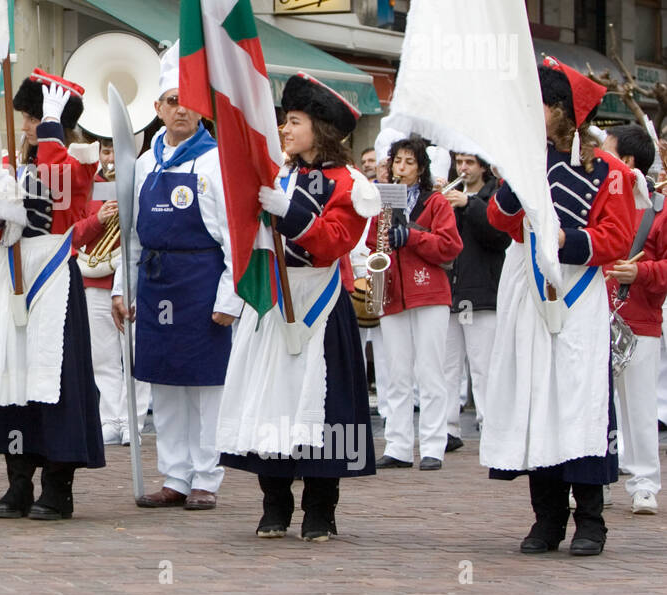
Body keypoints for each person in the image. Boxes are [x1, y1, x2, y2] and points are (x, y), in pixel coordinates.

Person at [214, 72, 379, 541]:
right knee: (272, 403)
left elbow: (333, 242)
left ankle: (321, 510)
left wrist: (288, 212)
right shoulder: (279, 175)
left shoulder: (349, 183)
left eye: (294, 121)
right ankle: (275, 503)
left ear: (320, 128)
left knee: (324, 410)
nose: (284, 130)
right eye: (284, 122)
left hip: (319, 305)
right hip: (273, 300)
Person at [483, 57, 635, 556]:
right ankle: (546, 519)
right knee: (536, 401)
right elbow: (499, 221)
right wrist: (514, 180)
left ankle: (590, 522)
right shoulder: (528, 159)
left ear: (565, 112)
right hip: (529, 288)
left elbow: (615, 238)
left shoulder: (609, 171)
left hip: (578, 295)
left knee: (578, 404)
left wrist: (564, 239)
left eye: (543, 103)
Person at [0, 69, 105, 521]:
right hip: (10, 276)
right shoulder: (16, 165)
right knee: (10, 379)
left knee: (53, 383)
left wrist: (53, 133)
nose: (23, 127)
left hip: (54, 276)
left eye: (30, 119)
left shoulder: (77, 156)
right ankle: (18, 480)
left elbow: (63, 188)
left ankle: (58, 485)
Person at [113, 63, 238, 510]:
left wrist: (230, 299)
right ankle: (175, 476)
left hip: (201, 282)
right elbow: (130, 233)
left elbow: (235, 240)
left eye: (188, 102)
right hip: (154, 282)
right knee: (163, 383)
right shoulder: (144, 162)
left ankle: (206, 476)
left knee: (206, 387)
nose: (180, 109)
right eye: (171, 101)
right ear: (157, 109)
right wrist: (119, 288)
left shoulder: (216, 161)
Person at [368, 137, 463, 470]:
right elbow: (371, 242)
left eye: (409, 162)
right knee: (396, 373)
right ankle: (398, 445)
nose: (402, 168)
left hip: (429, 292)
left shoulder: (436, 202)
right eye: (398, 162)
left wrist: (412, 236)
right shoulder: (384, 200)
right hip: (392, 291)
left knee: (430, 371)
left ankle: (434, 446)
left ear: (421, 168)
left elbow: (450, 246)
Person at [602, 123, 665, 515]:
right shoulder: (599, 200)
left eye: (607, 150)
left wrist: (639, 273)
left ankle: (645, 483)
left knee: (639, 406)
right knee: (598, 405)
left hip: (639, 318)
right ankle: (599, 478)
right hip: (597, 317)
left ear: (625, 161)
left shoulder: (659, 209)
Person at [79, 136, 150, 447]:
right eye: (105, 150)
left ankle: (132, 422)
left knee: (135, 357)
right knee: (102, 359)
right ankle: (109, 418)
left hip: (133, 279)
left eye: (114, 149)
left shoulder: (142, 178)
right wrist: (99, 219)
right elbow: (74, 231)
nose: (109, 156)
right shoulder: (86, 183)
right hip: (95, 280)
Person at [443, 152, 510, 445]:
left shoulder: (493, 196)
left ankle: (490, 425)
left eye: (469, 162)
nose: (463, 168)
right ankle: (447, 428)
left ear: (483, 166)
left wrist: (470, 204)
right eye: (459, 162)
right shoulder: (448, 196)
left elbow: (499, 236)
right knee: (446, 367)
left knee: (483, 366)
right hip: (450, 291)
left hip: (482, 292)